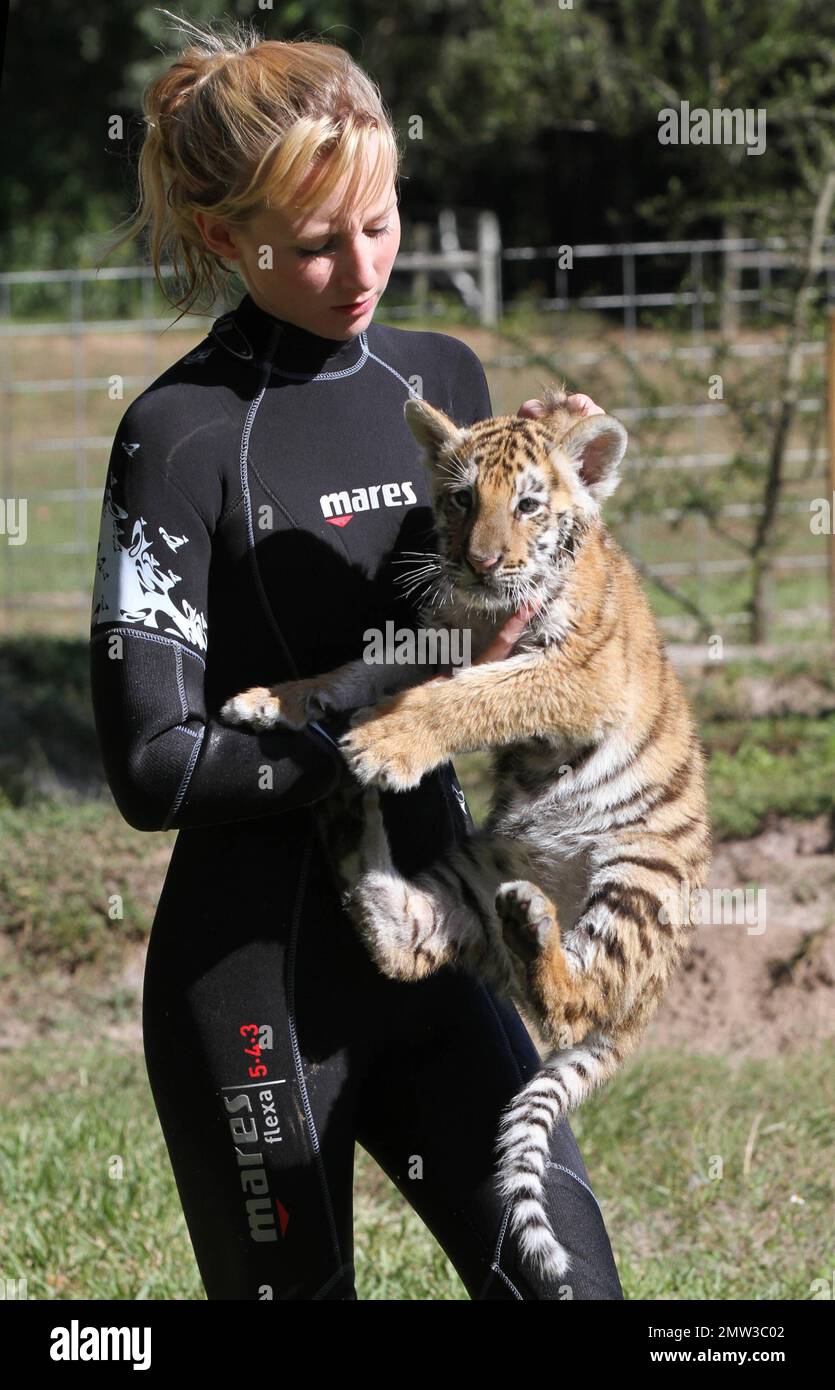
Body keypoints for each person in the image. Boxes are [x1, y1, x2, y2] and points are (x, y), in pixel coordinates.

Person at [90, 17, 624, 1300]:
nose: (359, 264)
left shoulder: (442, 375)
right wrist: (369, 739)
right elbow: (153, 766)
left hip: (438, 944)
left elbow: (508, 618)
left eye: (379, 221)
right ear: (228, 238)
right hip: (254, 983)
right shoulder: (179, 436)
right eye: (317, 240)